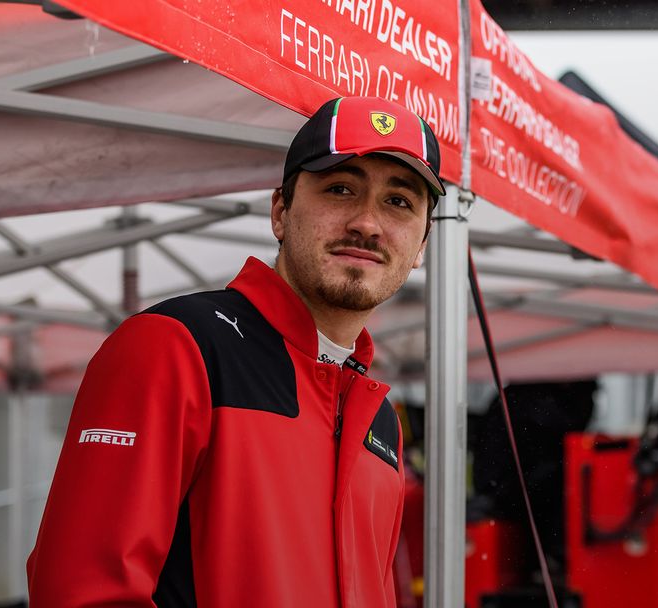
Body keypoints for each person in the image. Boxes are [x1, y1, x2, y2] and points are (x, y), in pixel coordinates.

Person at [26, 96, 445, 606]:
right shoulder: (176, 347)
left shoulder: (380, 420)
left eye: (399, 202)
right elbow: (82, 592)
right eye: (340, 188)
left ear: (422, 243)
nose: (367, 223)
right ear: (280, 211)